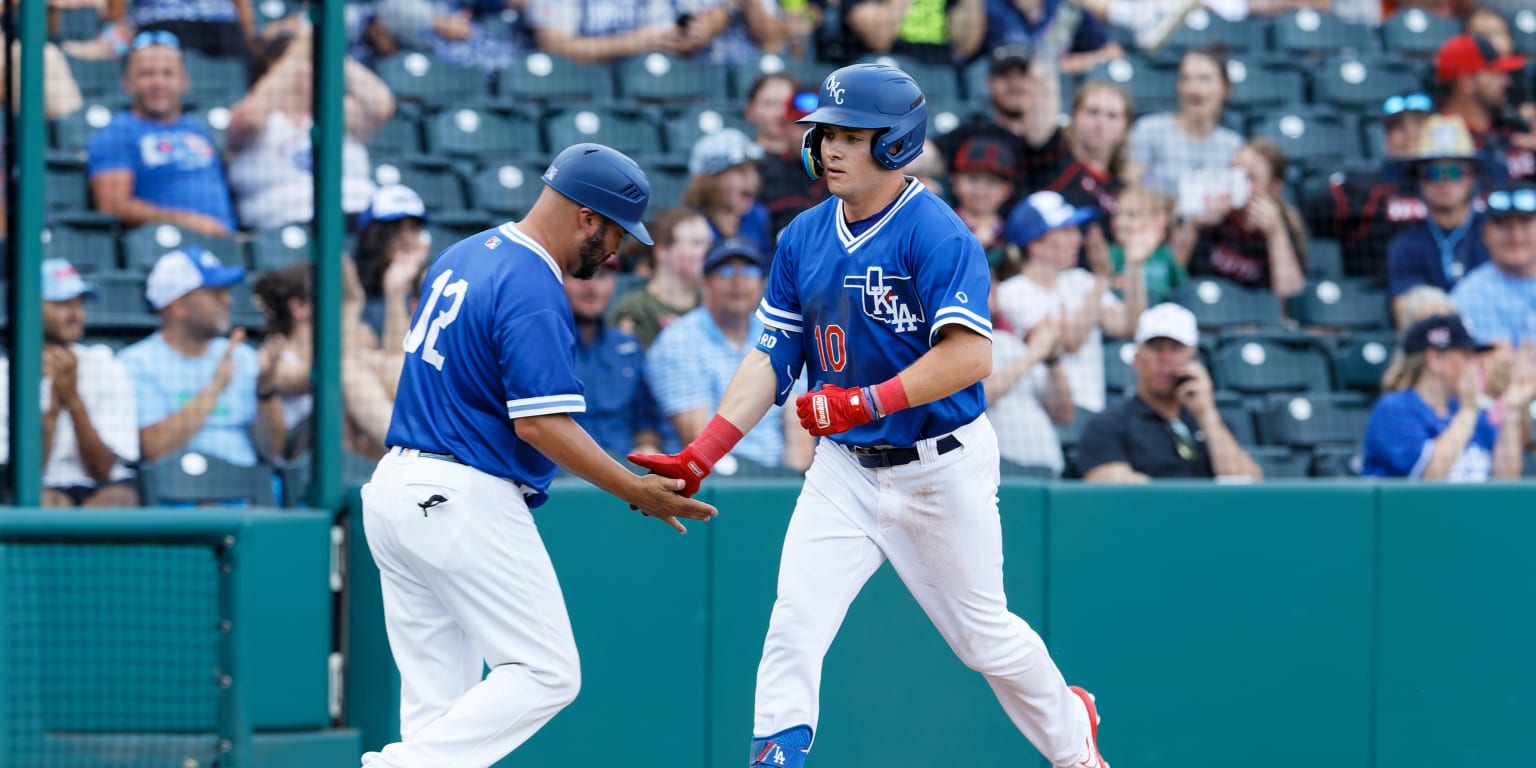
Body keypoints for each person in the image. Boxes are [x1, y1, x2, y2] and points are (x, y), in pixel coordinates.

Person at [628, 63, 1109, 768]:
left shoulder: (938, 234)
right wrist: (705, 449)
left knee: (984, 639)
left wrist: (861, 400)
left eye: (853, 136)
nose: (830, 149)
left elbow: (970, 358)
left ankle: (1073, 739)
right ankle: (775, 756)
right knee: (794, 621)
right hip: (845, 469)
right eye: (825, 134)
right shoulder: (801, 237)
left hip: (940, 466)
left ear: (896, 144)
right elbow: (770, 355)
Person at [358, 142, 717, 768]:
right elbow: (542, 425)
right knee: (547, 671)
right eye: (613, 234)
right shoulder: (531, 282)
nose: (615, 253)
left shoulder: (464, 253)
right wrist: (633, 488)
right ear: (585, 215)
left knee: (439, 713)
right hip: (461, 491)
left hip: (398, 489)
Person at [646, 237, 813, 470]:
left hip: (779, 476)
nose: (738, 281)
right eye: (725, 271)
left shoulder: (783, 335)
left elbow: (799, 431)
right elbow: (697, 437)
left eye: (748, 269)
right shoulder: (679, 339)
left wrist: (787, 487)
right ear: (704, 282)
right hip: (714, 480)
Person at [119, 246, 286, 467]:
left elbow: (273, 449)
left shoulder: (242, 356)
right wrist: (216, 386)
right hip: (176, 492)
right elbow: (154, 447)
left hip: (247, 493)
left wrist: (266, 389)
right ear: (178, 305)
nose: (228, 301)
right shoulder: (136, 362)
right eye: (215, 293)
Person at [225, 17, 394, 230]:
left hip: (358, 221)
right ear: (275, 66)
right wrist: (300, 46)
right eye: (305, 59)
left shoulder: (338, 112)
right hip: (285, 230)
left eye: (313, 59)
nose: (309, 65)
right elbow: (249, 121)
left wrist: (326, 46)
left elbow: (381, 105)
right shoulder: (256, 112)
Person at [0, 259, 141, 507]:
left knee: (119, 498)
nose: (76, 314)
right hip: (36, 489)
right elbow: (22, 476)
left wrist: (73, 401)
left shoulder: (106, 365)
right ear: (29, 308)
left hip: (97, 487)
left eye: (79, 304)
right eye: (62, 304)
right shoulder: (4, 374)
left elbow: (103, 470)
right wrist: (53, 409)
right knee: (45, 501)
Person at [1077, 303, 1263, 482]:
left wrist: (1207, 414)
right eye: (1156, 348)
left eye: (1176, 349)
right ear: (1136, 359)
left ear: (1194, 359)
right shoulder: (1109, 424)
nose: (1165, 359)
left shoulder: (1213, 424)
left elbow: (1246, 484)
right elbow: (1108, 482)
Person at [998, 190, 1146, 413]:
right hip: (1048, 414)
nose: (1078, 239)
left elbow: (1131, 325)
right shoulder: (1012, 291)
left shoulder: (1079, 279)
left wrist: (1134, 264)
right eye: (1066, 231)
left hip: (1093, 412)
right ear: (1035, 244)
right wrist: (1102, 280)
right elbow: (1069, 343)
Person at [87, 30, 238, 237]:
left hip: (227, 245)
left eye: (168, 73)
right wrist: (187, 222)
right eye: (147, 74)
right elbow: (112, 204)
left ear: (184, 81)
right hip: (167, 246)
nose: (158, 83)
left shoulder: (198, 128)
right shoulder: (117, 131)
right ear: (127, 83)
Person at [1361, 313, 1531, 480]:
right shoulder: (1394, 408)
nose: (1475, 365)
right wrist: (1468, 410)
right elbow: (1426, 478)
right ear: (1435, 360)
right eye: (1466, 356)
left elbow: (1505, 479)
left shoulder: (1469, 413)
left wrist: (1510, 410)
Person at [1303, 92, 1432, 282]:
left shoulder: (1458, 183)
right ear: (1385, 138)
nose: (1410, 135)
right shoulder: (1361, 188)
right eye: (1398, 127)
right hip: (1376, 297)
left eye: (1419, 125)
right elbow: (1304, 222)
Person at [1173, 137, 1308, 301]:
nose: (1238, 182)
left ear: (1274, 187)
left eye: (1250, 177)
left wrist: (1276, 234)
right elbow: (1172, 278)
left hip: (1254, 317)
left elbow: (1290, 298)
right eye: (1234, 171)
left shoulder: (1281, 227)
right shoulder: (1210, 217)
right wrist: (1192, 227)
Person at [1386, 114, 1489, 327]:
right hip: (1438, 347)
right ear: (1418, 180)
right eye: (1433, 172)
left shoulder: (1495, 231)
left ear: (1471, 178)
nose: (1444, 181)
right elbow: (1403, 312)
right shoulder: (1405, 244)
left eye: (1454, 171)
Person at [565, 254, 662, 458]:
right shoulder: (540, 345)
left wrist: (647, 448)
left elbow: (646, 423)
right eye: (580, 275)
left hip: (622, 473)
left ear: (614, 284)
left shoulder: (628, 346)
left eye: (602, 275)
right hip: (560, 477)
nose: (591, 286)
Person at [1124, 47, 1243, 200]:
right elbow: (1127, 192)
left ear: (1226, 88)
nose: (1193, 89)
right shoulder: (1149, 130)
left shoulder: (1234, 146)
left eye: (1204, 79)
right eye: (1185, 78)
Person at [1435, 33, 1533, 183]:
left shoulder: (1518, 130)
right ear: (1466, 82)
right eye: (1495, 74)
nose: (1506, 82)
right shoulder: (1435, 139)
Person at [608, 207, 712, 347]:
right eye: (696, 243)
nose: (709, 252)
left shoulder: (714, 308)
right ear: (662, 250)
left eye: (710, 244)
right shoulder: (635, 310)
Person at [1450, 180, 1536, 349]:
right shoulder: (1470, 295)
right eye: (1505, 227)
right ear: (1485, 234)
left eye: (1525, 226)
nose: (1516, 237)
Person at [353, 184, 432, 339]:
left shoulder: (432, 281)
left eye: (413, 228)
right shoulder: (348, 281)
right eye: (395, 228)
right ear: (371, 234)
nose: (406, 237)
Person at [683, 128, 774, 259]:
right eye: (739, 170)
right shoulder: (689, 226)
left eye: (753, 168)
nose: (751, 177)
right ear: (707, 180)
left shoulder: (759, 217)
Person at [981, 0, 1123, 76]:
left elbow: (1113, 52)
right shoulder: (989, 6)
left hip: (1056, 90)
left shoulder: (1064, 6)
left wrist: (1069, 64)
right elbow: (964, 53)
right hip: (1011, 86)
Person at [1108, 185, 1184, 305]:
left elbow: (1183, 288)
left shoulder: (1165, 254)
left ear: (1158, 219)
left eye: (1132, 215)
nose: (1121, 222)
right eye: (1117, 214)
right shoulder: (1113, 253)